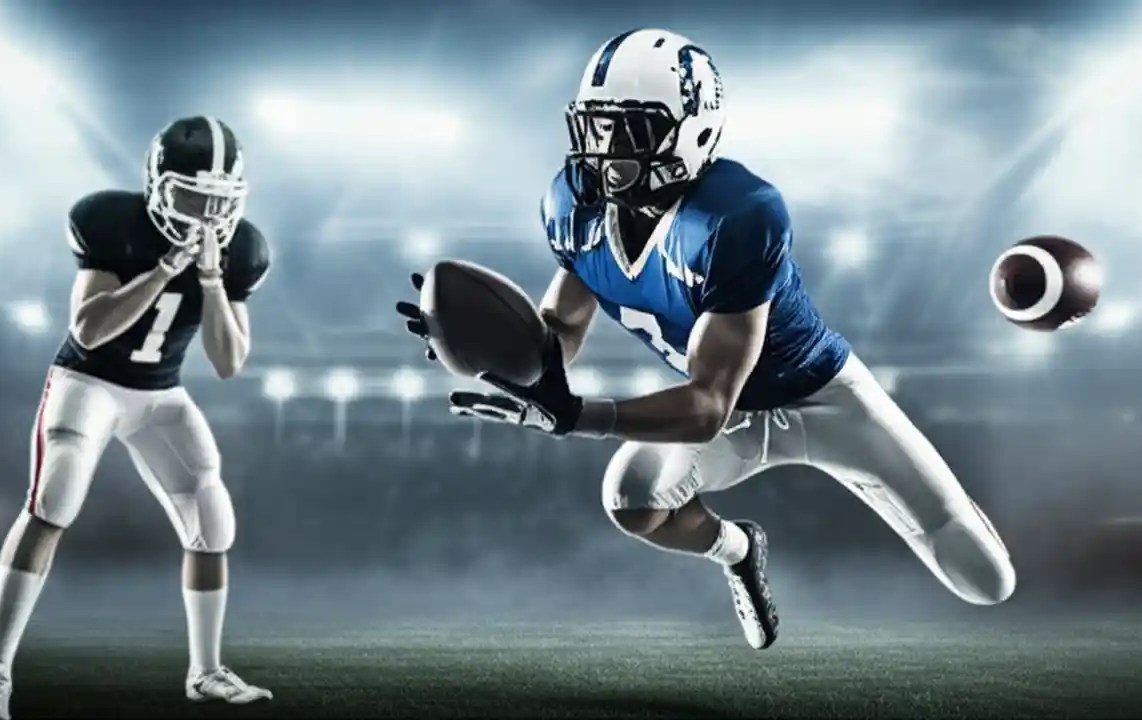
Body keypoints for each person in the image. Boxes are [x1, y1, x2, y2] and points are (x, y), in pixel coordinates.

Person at [398, 29, 1015, 651]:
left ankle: (953, 514)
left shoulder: (735, 216)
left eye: (629, 130)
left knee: (984, 577)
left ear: (692, 133)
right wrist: (486, 351)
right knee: (630, 501)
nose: (604, 149)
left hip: (825, 398)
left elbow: (706, 406)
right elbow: (557, 330)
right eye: (596, 127)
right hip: (732, 416)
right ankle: (740, 551)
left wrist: (580, 416)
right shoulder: (574, 205)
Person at [0, 116, 273, 720]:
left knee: (212, 520)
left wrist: (208, 278)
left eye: (219, 203)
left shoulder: (242, 251)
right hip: (89, 382)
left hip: (159, 392)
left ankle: (205, 671)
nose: (206, 217)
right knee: (54, 501)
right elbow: (88, 329)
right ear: (159, 186)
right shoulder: (114, 224)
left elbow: (230, 361)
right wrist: (162, 269)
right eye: (192, 197)